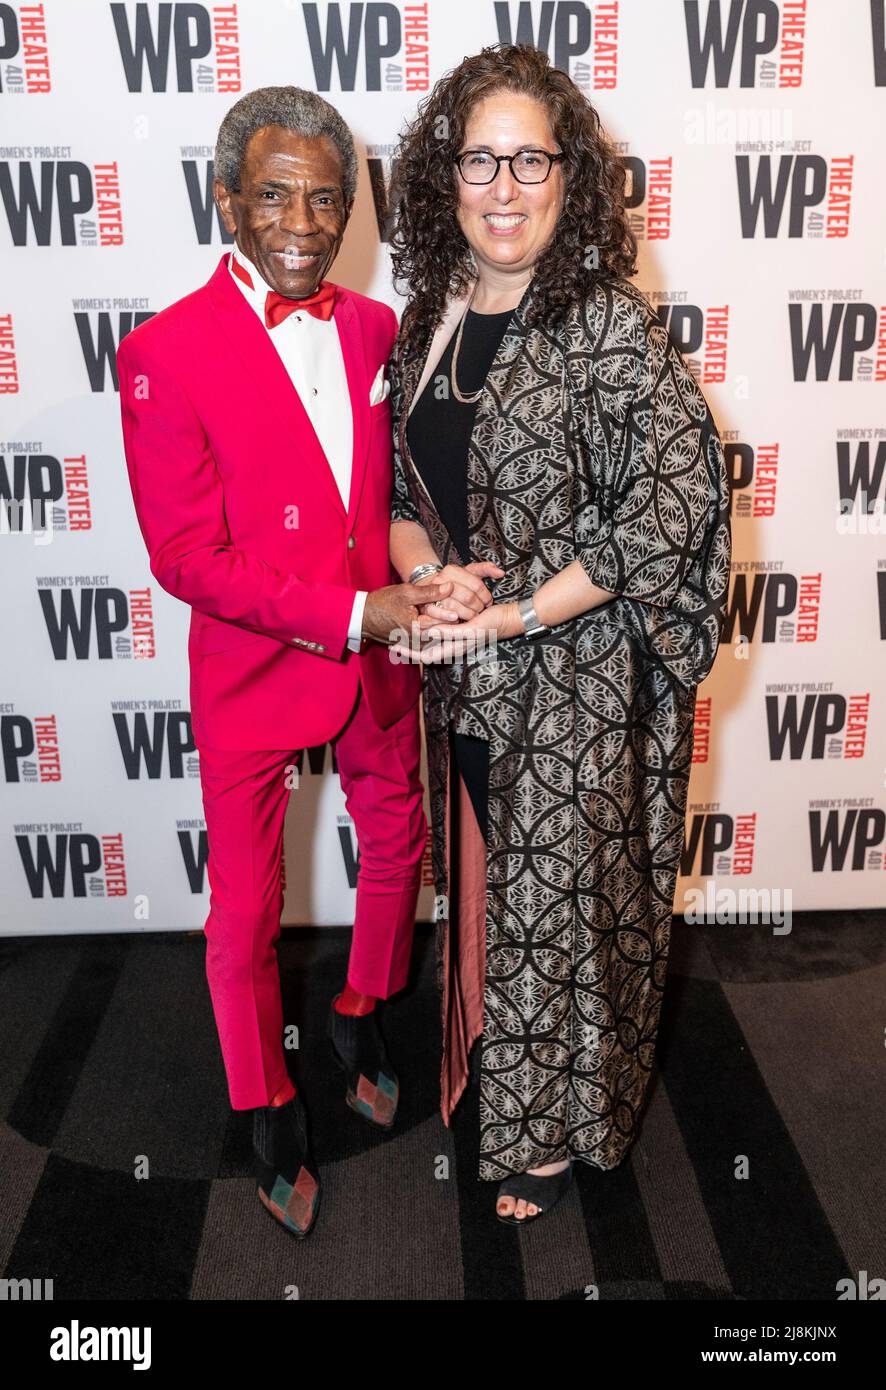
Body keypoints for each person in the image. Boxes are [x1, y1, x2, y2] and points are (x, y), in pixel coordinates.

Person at [387, 44, 732, 1224]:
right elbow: (394, 497)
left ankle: (553, 1132)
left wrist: (520, 612)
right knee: (493, 889)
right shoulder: (426, 322)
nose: (502, 183)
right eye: (478, 157)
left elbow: (675, 499)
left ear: (566, 176)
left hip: (580, 674)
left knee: (562, 904)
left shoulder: (602, 326)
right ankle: (513, 1085)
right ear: (446, 178)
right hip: (471, 675)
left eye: (528, 157)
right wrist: (430, 581)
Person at [117, 86, 450, 1240]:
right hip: (262, 666)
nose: (301, 221)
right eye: (271, 193)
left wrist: (428, 582)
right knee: (245, 915)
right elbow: (186, 558)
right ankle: (266, 1106)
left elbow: (398, 489)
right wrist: (355, 611)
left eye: (324, 197)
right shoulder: (161, 351)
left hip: (376, 662)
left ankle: (361, 1010)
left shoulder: (376, 330)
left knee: (399, 833)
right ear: (225, 200)